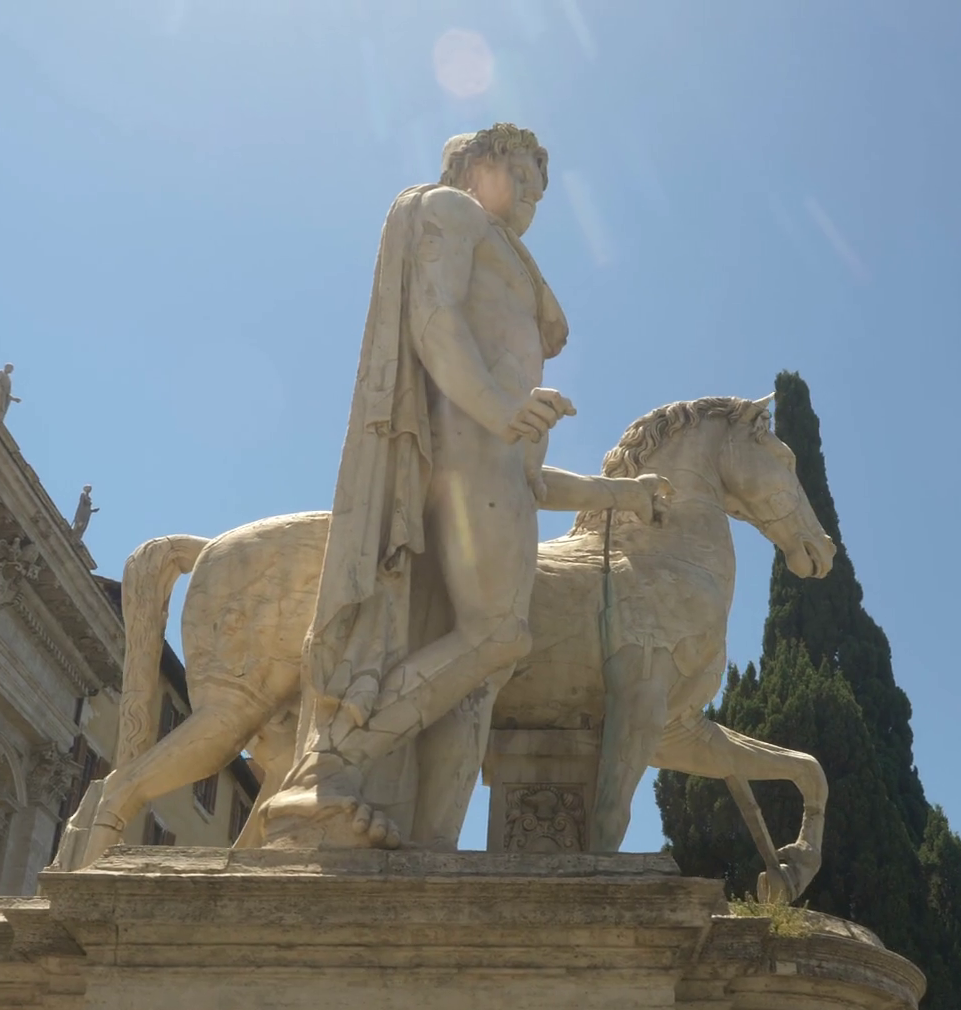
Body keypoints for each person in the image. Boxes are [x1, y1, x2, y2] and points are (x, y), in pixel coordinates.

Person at [257, 124, 665, 849]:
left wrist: (620, 498)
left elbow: (531, 483)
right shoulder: (453, 210)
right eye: (527, 182)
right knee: (501, 633)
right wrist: (502, 408)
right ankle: (331, 765)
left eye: (543, 192)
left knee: (479, 679)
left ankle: (422, 844)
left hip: (497, 457)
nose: (535, 201)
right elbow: (435, 320)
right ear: (482, 164)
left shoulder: (503, 245)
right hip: (468, 440)